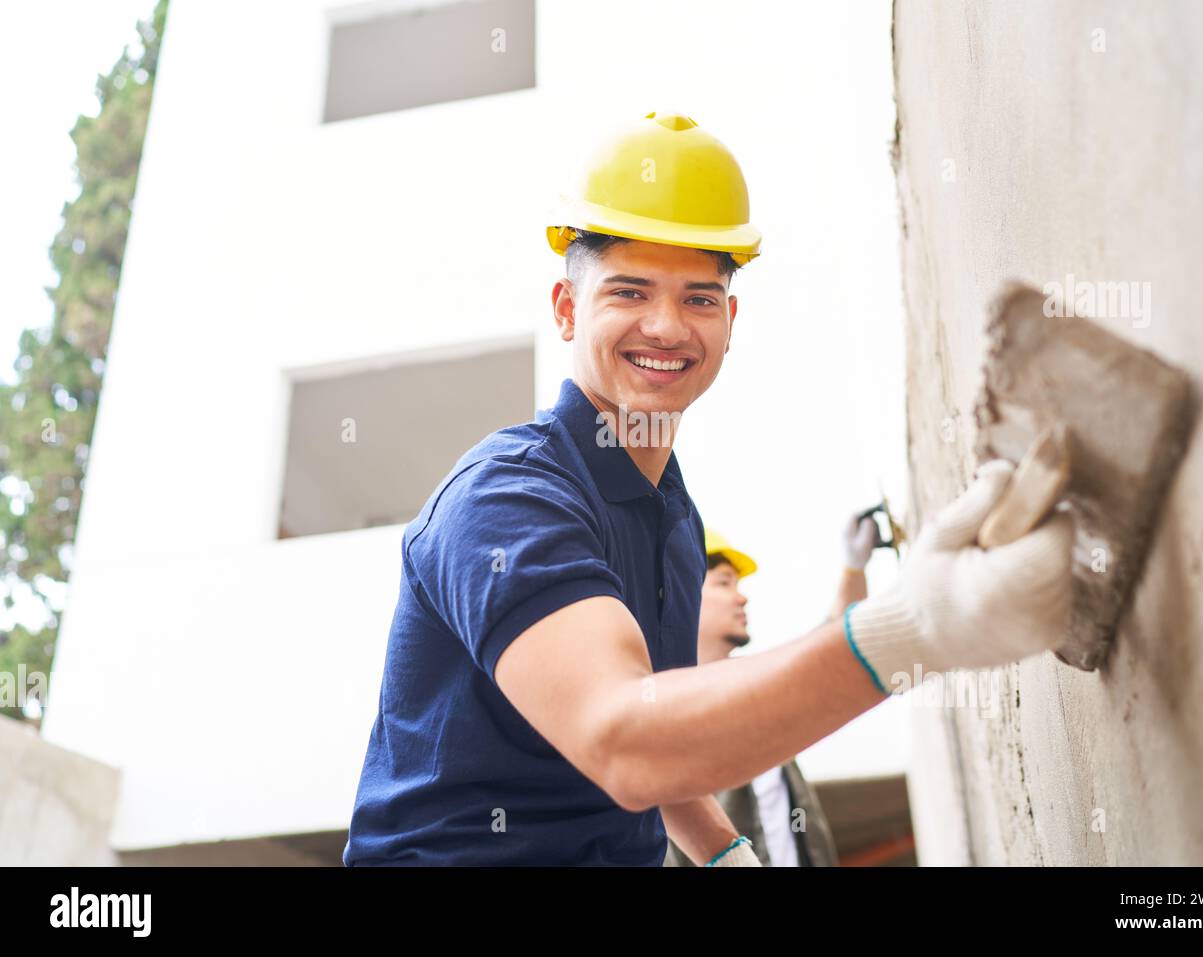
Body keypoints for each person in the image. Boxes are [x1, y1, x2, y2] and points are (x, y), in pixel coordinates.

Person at [342, 110, 1073, 867]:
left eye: (697, 298)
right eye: (629, 291)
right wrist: (914, 628)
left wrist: (725, 852)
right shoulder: (506, 502)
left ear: (730, 319)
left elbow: (661, 717)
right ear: (566, 310)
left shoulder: (675, 522)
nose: (665, 326)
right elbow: (626, 741)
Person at [663, 521, 878, 867]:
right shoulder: (660, 712)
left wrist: (854, 567)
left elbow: (830, 650)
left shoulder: (753, 687)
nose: (742, 595)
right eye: (724, 582)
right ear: (684, 591)